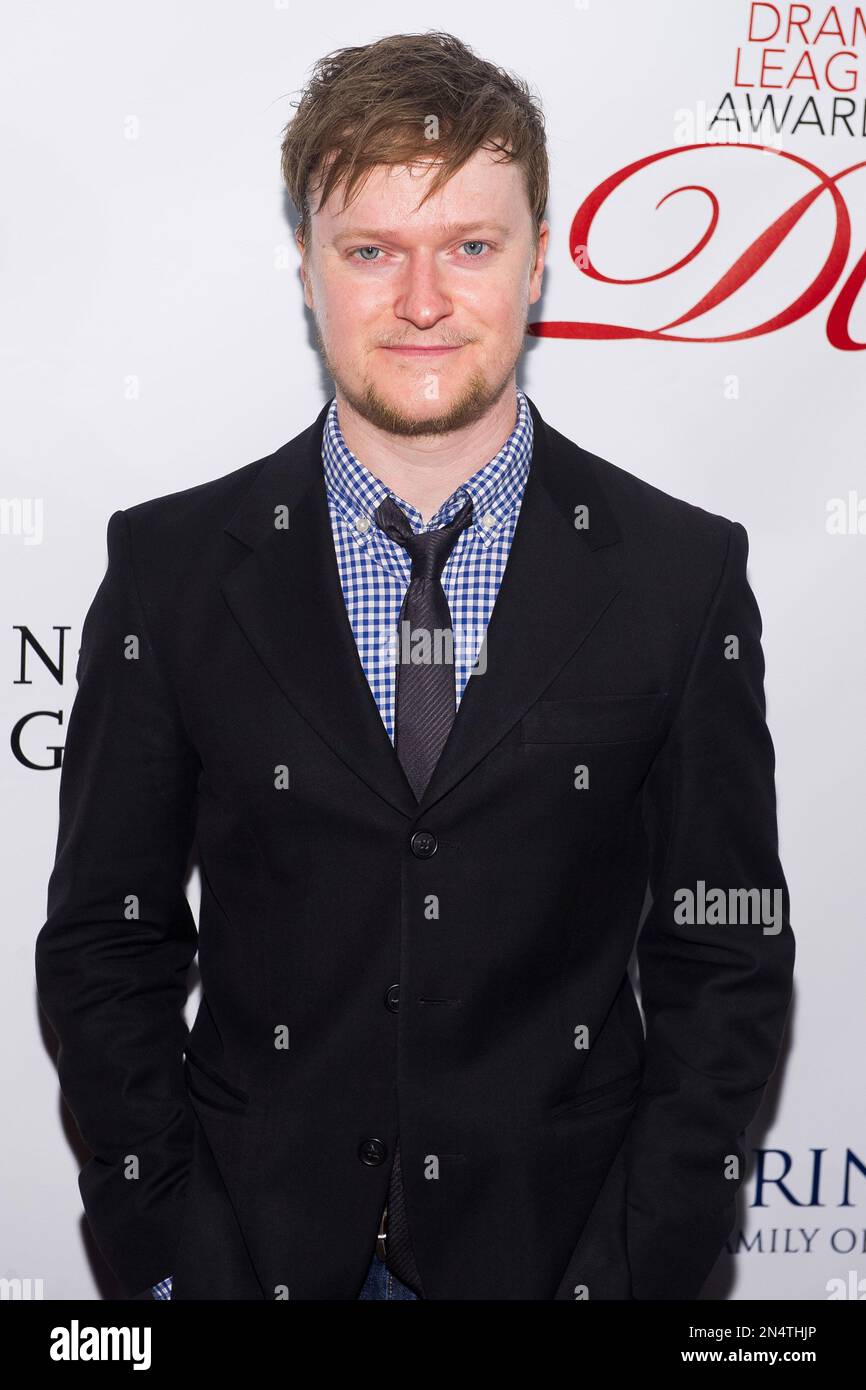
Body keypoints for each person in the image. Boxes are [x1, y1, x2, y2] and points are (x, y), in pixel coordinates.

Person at [35, 30, 795, 1301]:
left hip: (565, 1260)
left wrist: (642, 1261)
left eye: (470, 246)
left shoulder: (679, 576)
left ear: (539, 257)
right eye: (372, 249)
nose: (423, 299)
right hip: (251, 1254)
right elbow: (107, 941)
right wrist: (170, 1243)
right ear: (307, 269)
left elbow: (724, 956)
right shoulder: (169, 569)